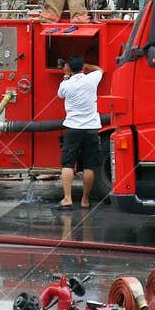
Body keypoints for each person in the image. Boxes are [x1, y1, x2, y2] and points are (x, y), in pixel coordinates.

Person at [58, 53, 103, 208]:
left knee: (68, 164)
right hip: (91, 128)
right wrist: (86, 66)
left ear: (69, 68)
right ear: (82, 67)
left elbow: (60, 95)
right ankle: (85, 200)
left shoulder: (65, 84)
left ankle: (68, 199)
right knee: (89, 166)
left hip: (73, 128)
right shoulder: (92, 78)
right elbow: (100, 69)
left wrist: (66, 76)